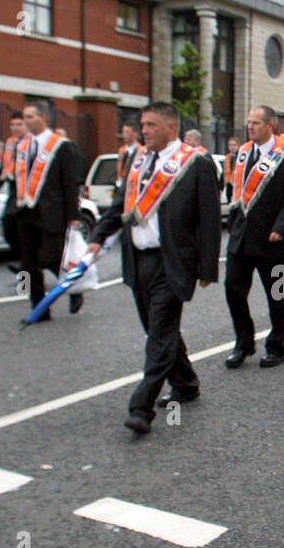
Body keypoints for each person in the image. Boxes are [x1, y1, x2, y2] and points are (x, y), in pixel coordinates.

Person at [86, 101, 220, 434]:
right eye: (142, 125)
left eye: (150, 125)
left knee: (159, 334)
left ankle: (141, 406)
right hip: (138, 260)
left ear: (170, 127)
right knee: (159, 330)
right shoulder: (137, 160)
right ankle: (186, 382)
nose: (143, 131)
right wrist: (98, 236)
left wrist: (206, 269)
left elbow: (209, 220)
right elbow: (121, 205)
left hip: (172, 262)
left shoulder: (196, 164)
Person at [223, 105, 284, 369]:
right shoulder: (244, 153)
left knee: (278, 295)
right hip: (242, 236)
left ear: (270, 126)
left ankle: (276, 345)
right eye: (248, 122)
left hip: (273, 238)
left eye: (256, 123)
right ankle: (244, 342)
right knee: (233, 289)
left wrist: (282, 226)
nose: (250, 127)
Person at [14, 102, 82, 318]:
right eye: (24, 117)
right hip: (26, 211)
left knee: (53, 259)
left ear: (43, 118)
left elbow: (69, 182)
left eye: (30, 116)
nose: (25, 121)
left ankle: (74, 288)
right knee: (27, 265)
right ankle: (38, 308)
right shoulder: (22, 146)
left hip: (52, 212)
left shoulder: (61, 146)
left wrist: (73, 215)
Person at [0, 115, 28, 269]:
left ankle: (30, 264)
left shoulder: (35, 144)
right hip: (15, 194)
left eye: (19, 124)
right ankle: (26, 261)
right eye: (12, 124)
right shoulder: (10, 145)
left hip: (32, 195)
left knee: (28, 232)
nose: (15, 127)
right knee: (8, 226)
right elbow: (3, 171)